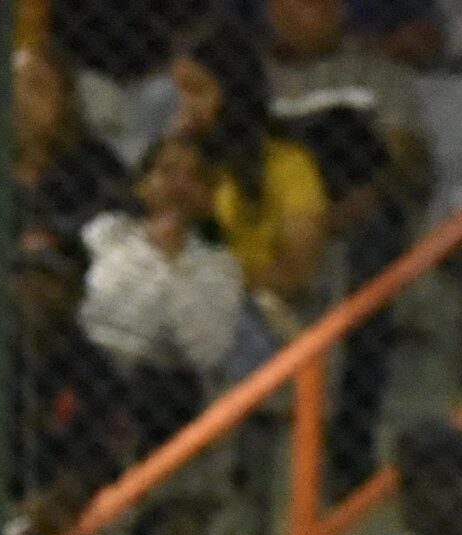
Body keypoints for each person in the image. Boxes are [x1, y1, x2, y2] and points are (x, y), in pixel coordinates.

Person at [267, 0, 432, 492]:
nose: (301, 13)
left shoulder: (378, 75)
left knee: (375, 242)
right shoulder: (251, 71)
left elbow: (407, 161)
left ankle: (350, 445)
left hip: (354, 216)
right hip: (274, 216)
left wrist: (358, 200)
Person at [7, 226, 137, 535]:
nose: (31, 289)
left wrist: (54, 504)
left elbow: (97, 466)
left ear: (76, 292)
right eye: (23, 276)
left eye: (47, 278)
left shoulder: (96, 373)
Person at [82, 138, 248, 452]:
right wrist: (158, 261)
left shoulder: (220, 267)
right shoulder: (103, 235)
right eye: (168, 171)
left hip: (164, 386)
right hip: (95, 364)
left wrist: (170, 263)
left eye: (194, 176)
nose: (180, 185)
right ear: (142, 184)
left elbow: (206, 350)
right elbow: (101, 314)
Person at [174, 15, 330, 325]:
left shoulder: (288, 165)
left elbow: (294, 275)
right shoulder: (182, 159)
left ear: (234, 91)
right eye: (181, 93)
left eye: (198, 92)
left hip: (259, 318)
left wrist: (209, 275)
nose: (186, 108)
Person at [12, 41, 131, 233]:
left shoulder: (94, 162)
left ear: (63, 102)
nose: (20, 97)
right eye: (11, 84)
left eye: (36, 86)